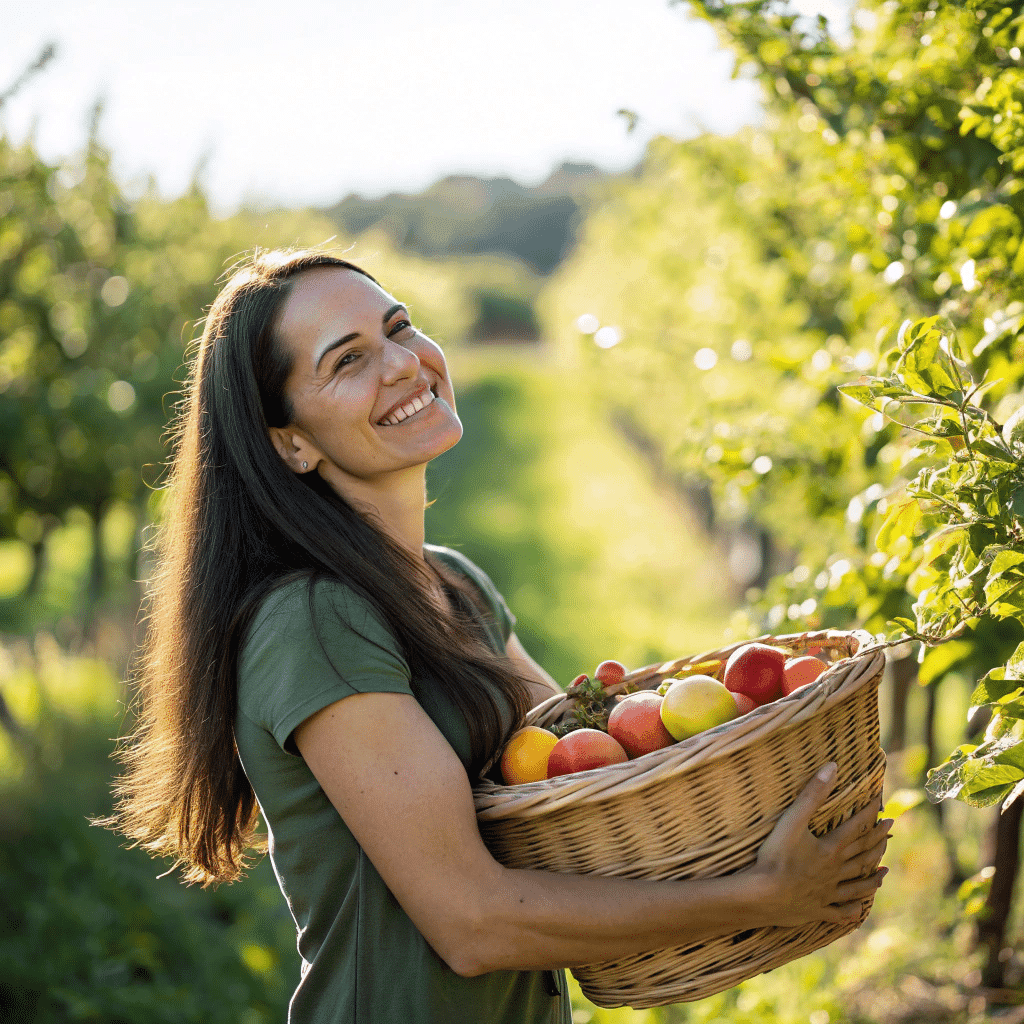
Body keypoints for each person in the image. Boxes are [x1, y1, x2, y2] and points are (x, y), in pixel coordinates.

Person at [105, 248, 892, 1023]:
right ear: (291, 443)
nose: (403, 364)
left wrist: (761, 746)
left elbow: (581, 773)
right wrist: (755, 896)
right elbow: (472, 923)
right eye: (347, 361)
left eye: (400, 328)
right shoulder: (316, 620)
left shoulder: (452, 583)